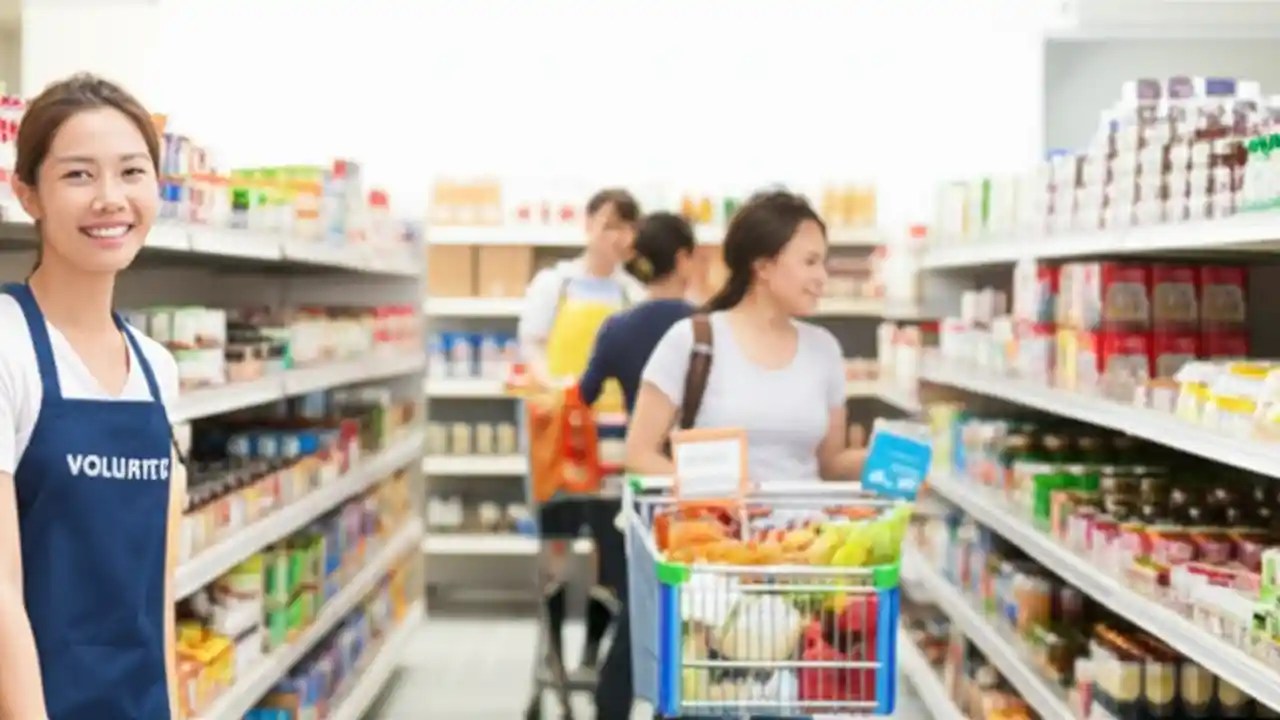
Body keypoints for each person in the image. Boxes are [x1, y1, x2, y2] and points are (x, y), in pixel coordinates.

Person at [0, 74, 181, 720]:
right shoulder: (8, 347)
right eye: (79, 175)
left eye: (132, 172)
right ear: (29, 195)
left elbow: (153, 595)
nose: (111, 199)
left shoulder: (159, 372)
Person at [626, 189, 867, 483]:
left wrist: (888, 462)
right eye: (810, 262)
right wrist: (713, 491)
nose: (822, 278)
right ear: (763, 266)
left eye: (823, 263)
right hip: (716, 527)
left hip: (806, 528)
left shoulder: (824, 349)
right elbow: (639, 455)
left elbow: (830, 463)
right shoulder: (692, 341)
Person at [517, 188, 646, 683]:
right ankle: (552, 658)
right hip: (559, 433)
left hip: (614, 435)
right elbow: (532, 343)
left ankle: (592, 654)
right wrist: (554, 385)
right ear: (589, 225)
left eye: (627, 228)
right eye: (609, 224)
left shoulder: (630, 292)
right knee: (557, 543)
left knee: (605, 548)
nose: (617, 237)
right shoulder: (555, 284)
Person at [574, 212, 698, 719]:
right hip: (699, 484)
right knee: (701, 619)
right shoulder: (705, 326)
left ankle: (613, 702)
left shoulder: (618, 327)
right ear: (685, 259)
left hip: (644, 489)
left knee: (641, 604)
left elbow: (580, 396)